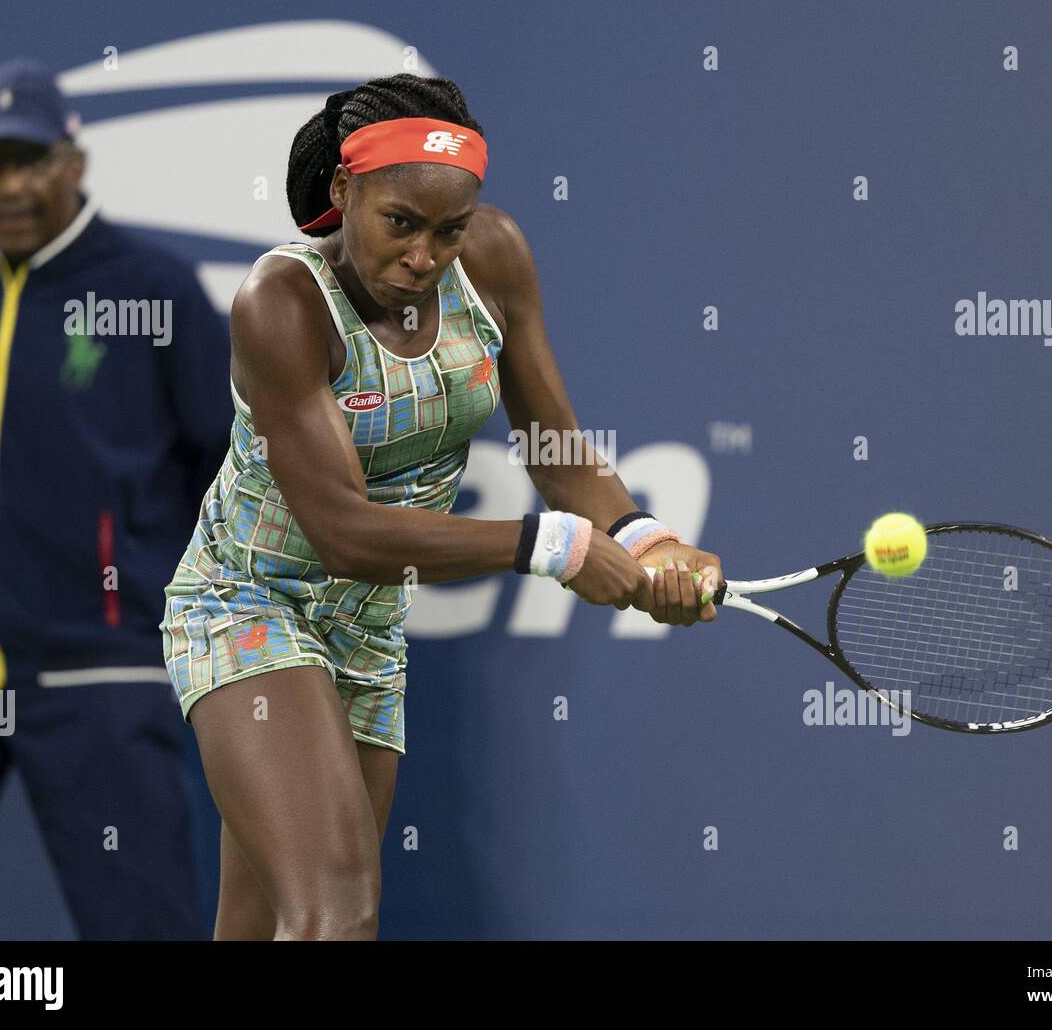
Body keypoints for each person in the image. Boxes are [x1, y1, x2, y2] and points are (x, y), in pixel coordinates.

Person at [160, 73, 723, 942]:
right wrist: (554, 547)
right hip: (248, 604)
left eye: (449, 230)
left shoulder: (494, 260)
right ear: (345, 191)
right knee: (337, 912)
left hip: (369, 630)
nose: (425, 257)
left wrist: (647, 539)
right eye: (401, 224)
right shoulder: (283, 304)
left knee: (263, 919)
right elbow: (344, 533)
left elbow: (554, 450)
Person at [0, 59, 231, 939]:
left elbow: (232, 470)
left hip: (99, 674)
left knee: (142, 930)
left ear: (74, 162)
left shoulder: (153, 291)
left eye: (30, 162)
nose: (9, 187)